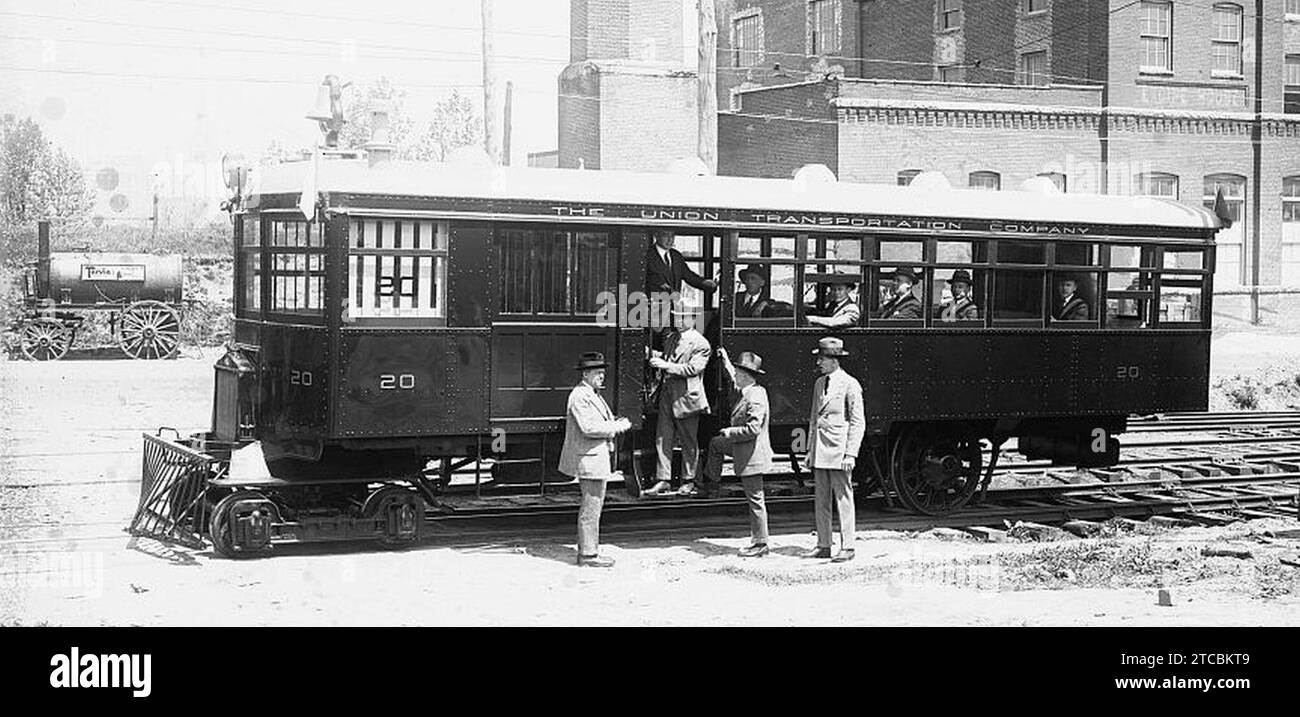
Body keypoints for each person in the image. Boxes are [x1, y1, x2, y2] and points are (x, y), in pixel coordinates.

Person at [558, 351, 634, 568]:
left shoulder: (591, 393)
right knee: (591, 507)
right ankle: (589, 556)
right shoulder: (580, 396)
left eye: (603, 372)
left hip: (594, 458)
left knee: (593, 506)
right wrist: (617, 427)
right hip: (589, 460)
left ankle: (589, 552)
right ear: (585, 375)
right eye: (598, 373)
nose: (602, 376)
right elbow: (589, 428)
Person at [703, 348, 774, 556]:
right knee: (716, 444)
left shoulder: (755, 397)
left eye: (737, 372)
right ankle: (712, 483)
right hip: (745, 450)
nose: (735, 375)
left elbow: (753, 429)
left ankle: (761, 544)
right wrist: (725, 360)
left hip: (752, 455)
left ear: (744, 375)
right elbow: (732, 377)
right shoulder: (748, 390)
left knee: (756, 500)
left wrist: (730, 431)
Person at [804, 337, 865, 563]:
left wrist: (851, 453)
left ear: (833, 361)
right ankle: (823, 544)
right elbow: (813, 418)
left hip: (839, 452)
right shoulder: (819, 383)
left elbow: (858, 422)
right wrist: (810, 450)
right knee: (821, 499)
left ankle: (848, 546)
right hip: (821, 450)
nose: (818, 362)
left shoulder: (850, 384)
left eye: (821, 358)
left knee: (843, 498)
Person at [645, 303, 712, 497]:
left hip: (687, 398)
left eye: (683, 317)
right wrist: (651, 353)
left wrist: (665, 365)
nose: (678, 321)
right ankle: (663, 479)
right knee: (662, 438)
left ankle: (689, 481)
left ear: (693, 319)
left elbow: (692, 369)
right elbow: (666, 357)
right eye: (676, 317)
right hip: (668, 396)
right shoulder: (672, 338)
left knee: (688, 441)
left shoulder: (701, 344)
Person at [644, 229, 718, 297]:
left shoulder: (676, 256)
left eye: (672, 236)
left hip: (674, 307)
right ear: (656, 235)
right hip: (653, 308)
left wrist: (710, 284)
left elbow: (689, 277)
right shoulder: (647, 255)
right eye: (665, 235)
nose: (670, 240)